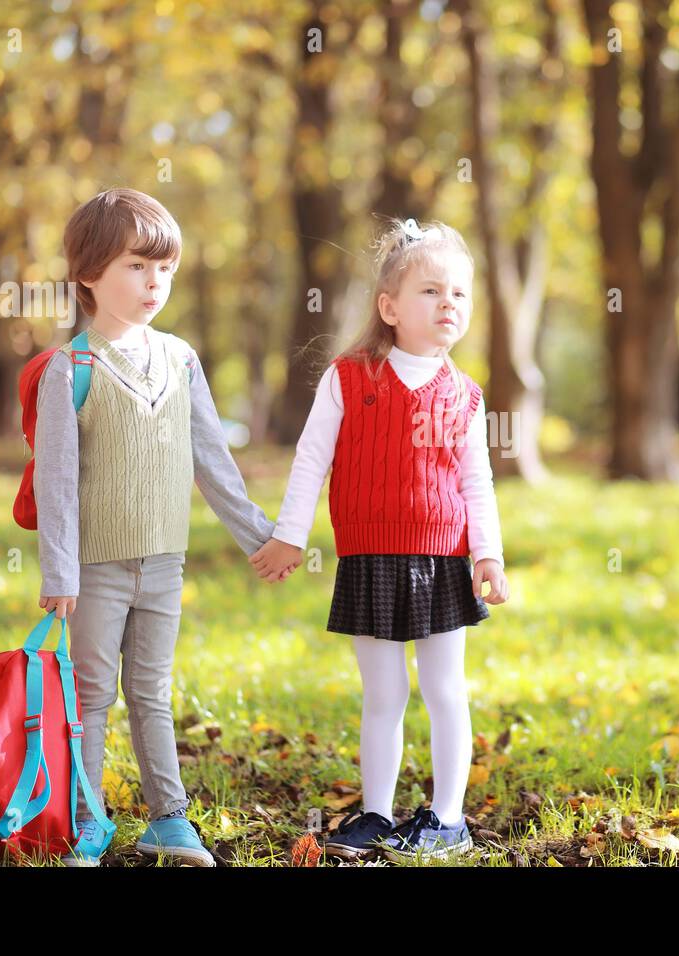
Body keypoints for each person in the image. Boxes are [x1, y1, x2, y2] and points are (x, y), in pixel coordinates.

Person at [251, 217, 510, 861]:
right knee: (385, 693)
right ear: (389, 307)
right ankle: (376, 813)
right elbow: (312, 459)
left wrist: (488, 554)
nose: (448, 303)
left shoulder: (465, 396)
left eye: (459, 294)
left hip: (443, 563)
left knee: (444, 688)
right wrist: (289, 535)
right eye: (431, 291)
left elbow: (477, 483)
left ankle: (448, 817)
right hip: (369, 560)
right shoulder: (348, 379)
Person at [36, 188, 276, 866]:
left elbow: (211, 459)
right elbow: (54, 481)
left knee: (151, 693)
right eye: (136, 268)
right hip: (93, 570)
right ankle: (88, 819)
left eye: (163, 269)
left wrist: (259, 537)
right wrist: (59, 573)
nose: (154, 284)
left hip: (164, 562)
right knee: (90, 695)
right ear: (88, 275)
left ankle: (168, 819)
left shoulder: (181, 359)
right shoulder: (72, 369)